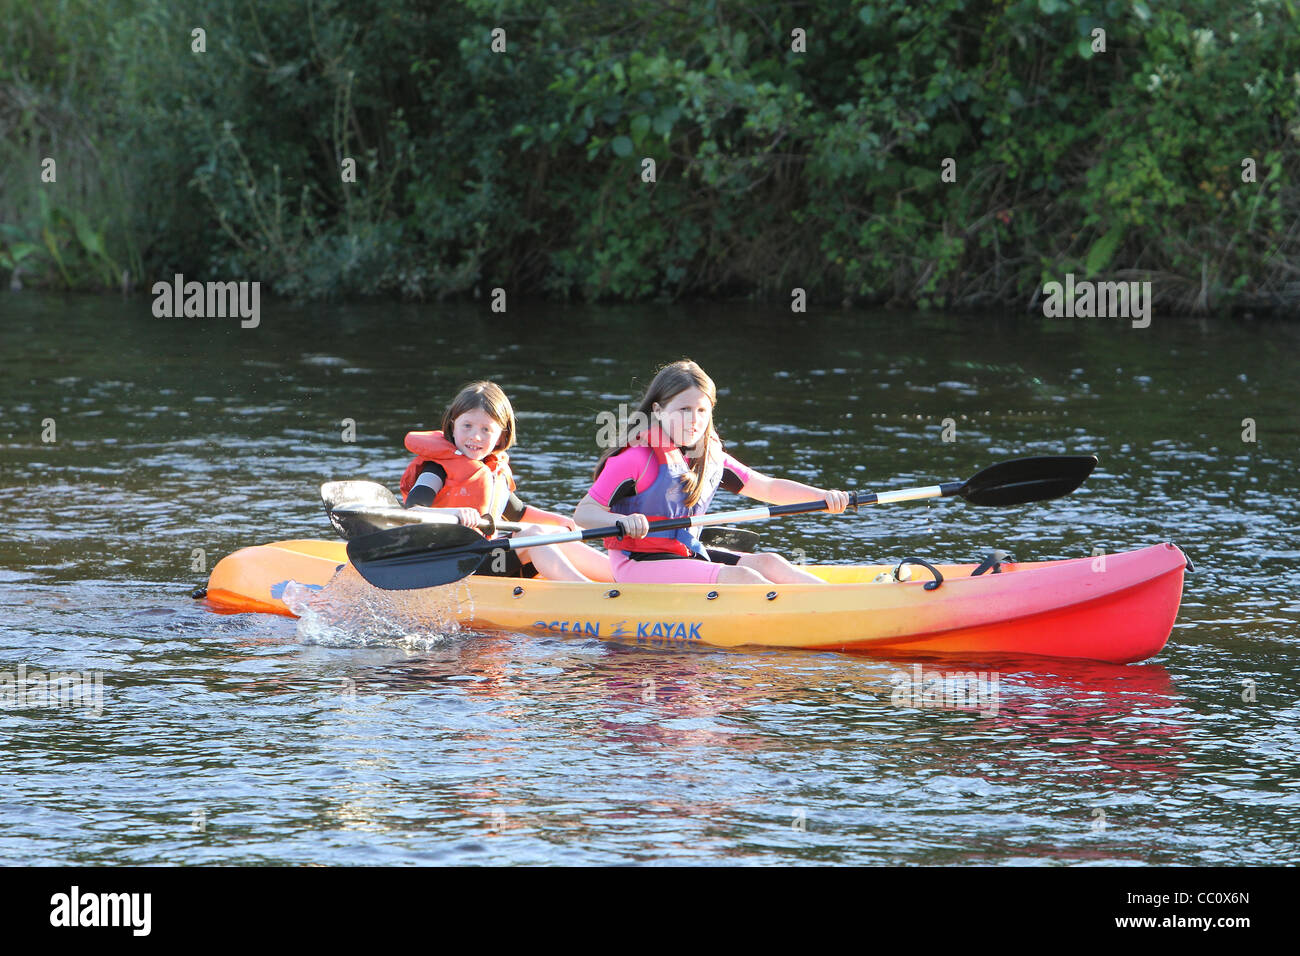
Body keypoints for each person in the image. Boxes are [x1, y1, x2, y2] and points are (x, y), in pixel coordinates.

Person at [574, 360, 850, 585]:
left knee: (770, 563)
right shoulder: (635, 458)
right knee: (742, 577)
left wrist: (824, 498)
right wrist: (624, 520)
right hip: (637, 562)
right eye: (684, 409)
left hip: (685, 551)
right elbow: (584, 513)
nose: (695, 419)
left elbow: (767, 488)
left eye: (702, 410)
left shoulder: (710, 457)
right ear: (658, 410)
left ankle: (839, 604)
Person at [400, 381, 611, 582]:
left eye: (486, 429)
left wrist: (561, 522)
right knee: (534, 535)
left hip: (483, 556)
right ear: (452, 426)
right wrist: (455, 513)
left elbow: (519, 513)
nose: (475, 436)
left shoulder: (491, 472)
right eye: (467, 426)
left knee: (552, 532)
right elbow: (413, 511)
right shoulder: (436, 469)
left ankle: (622, 579)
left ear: (501, 436)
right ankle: (590, 594)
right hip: (451, 564)